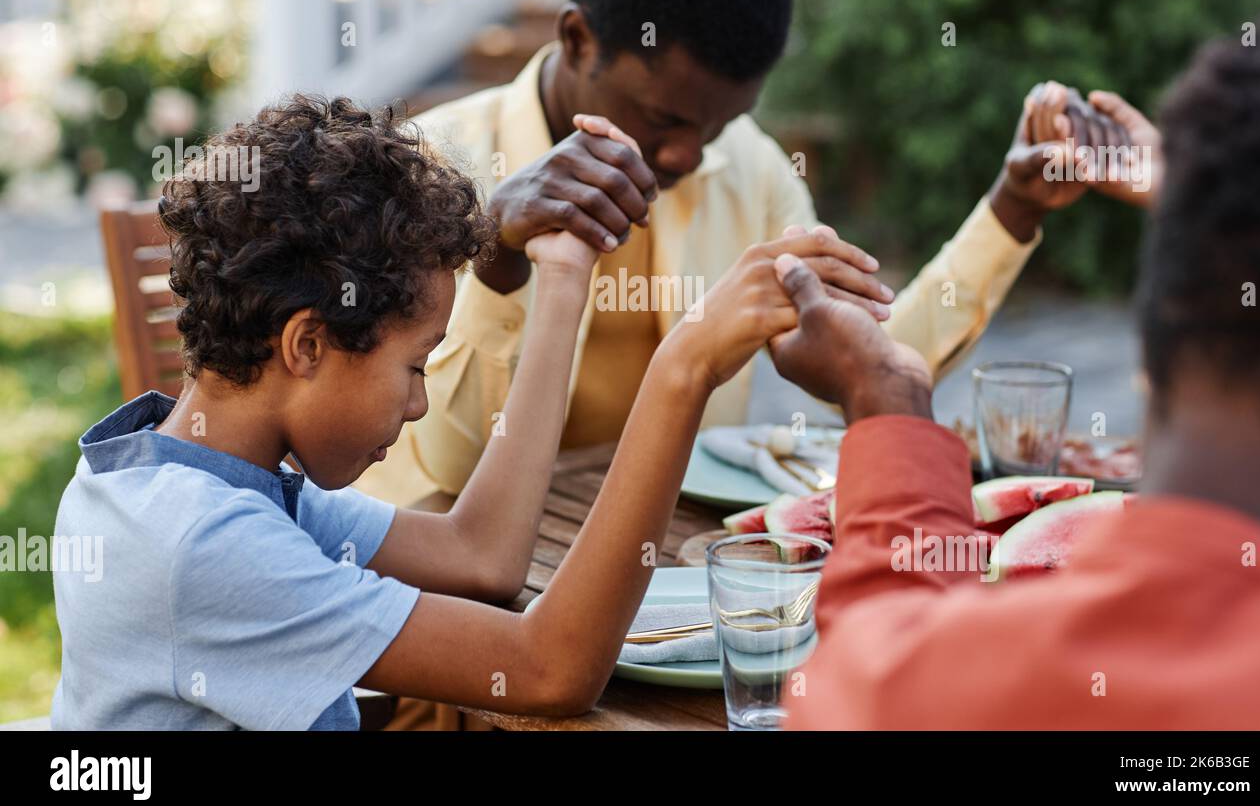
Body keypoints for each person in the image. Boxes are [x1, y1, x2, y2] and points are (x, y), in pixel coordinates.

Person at [49, 94, 881, 729]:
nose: (417, 404)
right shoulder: (202, 546)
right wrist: (683, 371)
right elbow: (550, 670)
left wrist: (562, 278)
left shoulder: (205, 478)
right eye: (413, 366)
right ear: (306, 345)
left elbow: (481, 555)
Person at [355, 0, 1139, 506]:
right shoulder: (430, 167)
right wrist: (497, 261)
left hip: (665, 576)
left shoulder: (749, 166)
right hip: (464, 595)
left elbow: (876, 352)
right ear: (576, 38)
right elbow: (442, 472)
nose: (687, 154)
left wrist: (1014, 206)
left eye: (721, 123)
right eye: (664, 117)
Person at [767, 13, 1260, 729]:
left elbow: (867, 687)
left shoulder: (994, 687)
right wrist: (1191, 198)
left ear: (1149, 342)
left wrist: (882, 400)